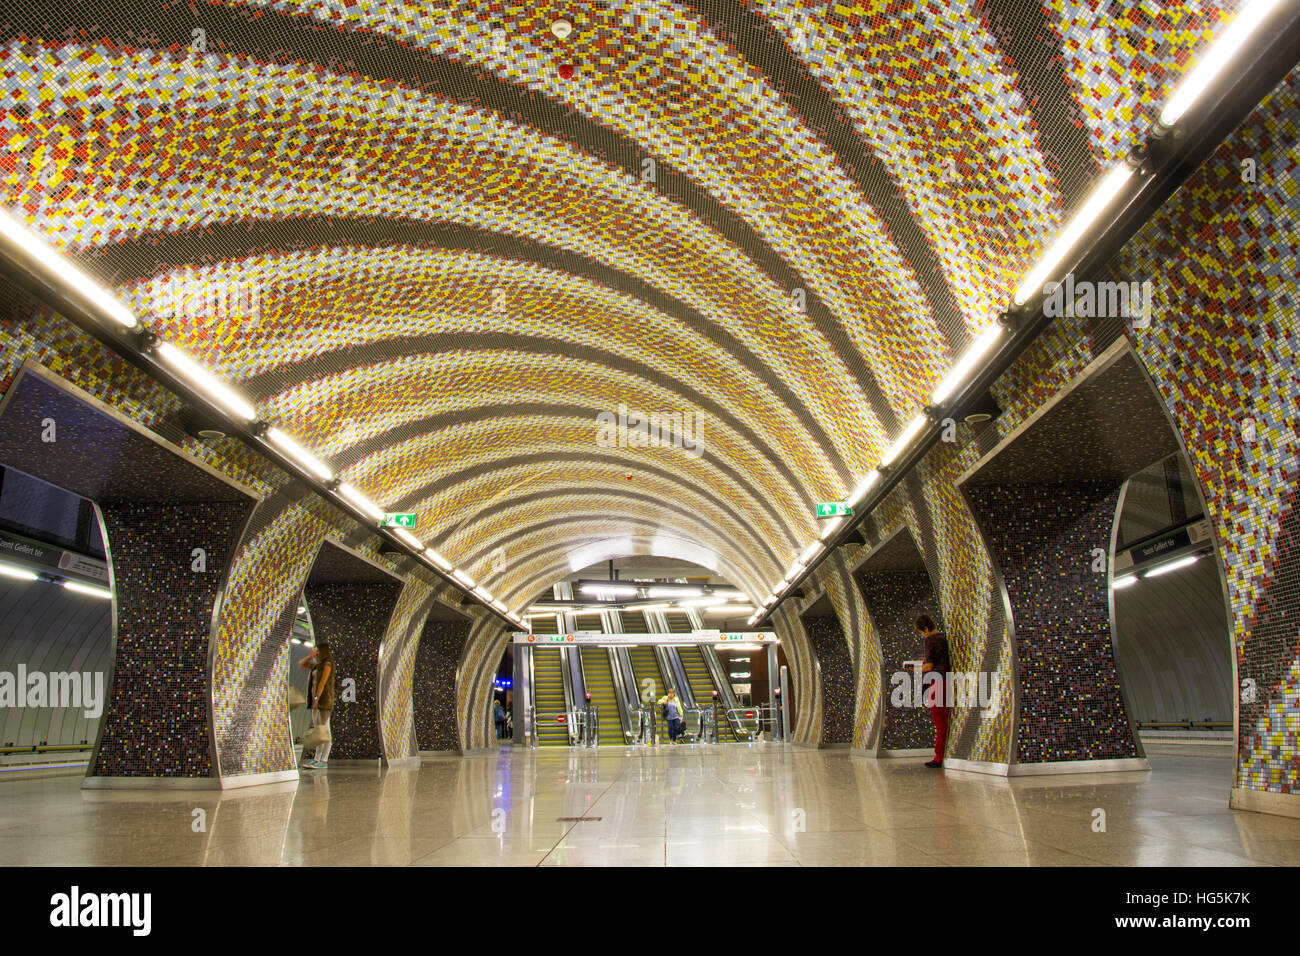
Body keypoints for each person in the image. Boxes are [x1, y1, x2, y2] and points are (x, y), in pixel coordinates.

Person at [916, 614, 950, 769]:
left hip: (937, 682)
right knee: (945, 720)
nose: (922, 635)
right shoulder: (943, 637)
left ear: (926, 629)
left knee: (940, 722)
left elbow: (929, 667)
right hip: (948, 681)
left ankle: (938, 757)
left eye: (921, 632)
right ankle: (943, 754)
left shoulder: (930, 640)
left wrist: (916, 667)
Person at [299, 641, 335, 769]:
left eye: (317, 650)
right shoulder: (316, 666)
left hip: (323, 701)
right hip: (315, 701)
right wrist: (309, 656)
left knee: (325, 729)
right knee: (318, 730)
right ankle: (316, 759)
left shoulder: (327, 664)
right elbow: (301, 664)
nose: (316, 653)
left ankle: (324, 760)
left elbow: (322, 683)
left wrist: (316, 699)